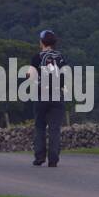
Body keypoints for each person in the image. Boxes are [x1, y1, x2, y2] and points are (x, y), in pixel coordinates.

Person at [30, 29, 66, 167]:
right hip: (57, 95)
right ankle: (53, 159)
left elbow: (31, 75)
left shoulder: (37, 57)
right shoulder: (60, 56)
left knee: (40, 126)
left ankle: (39, 157)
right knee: (54, 128)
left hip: (41, 95)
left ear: (42, 42)